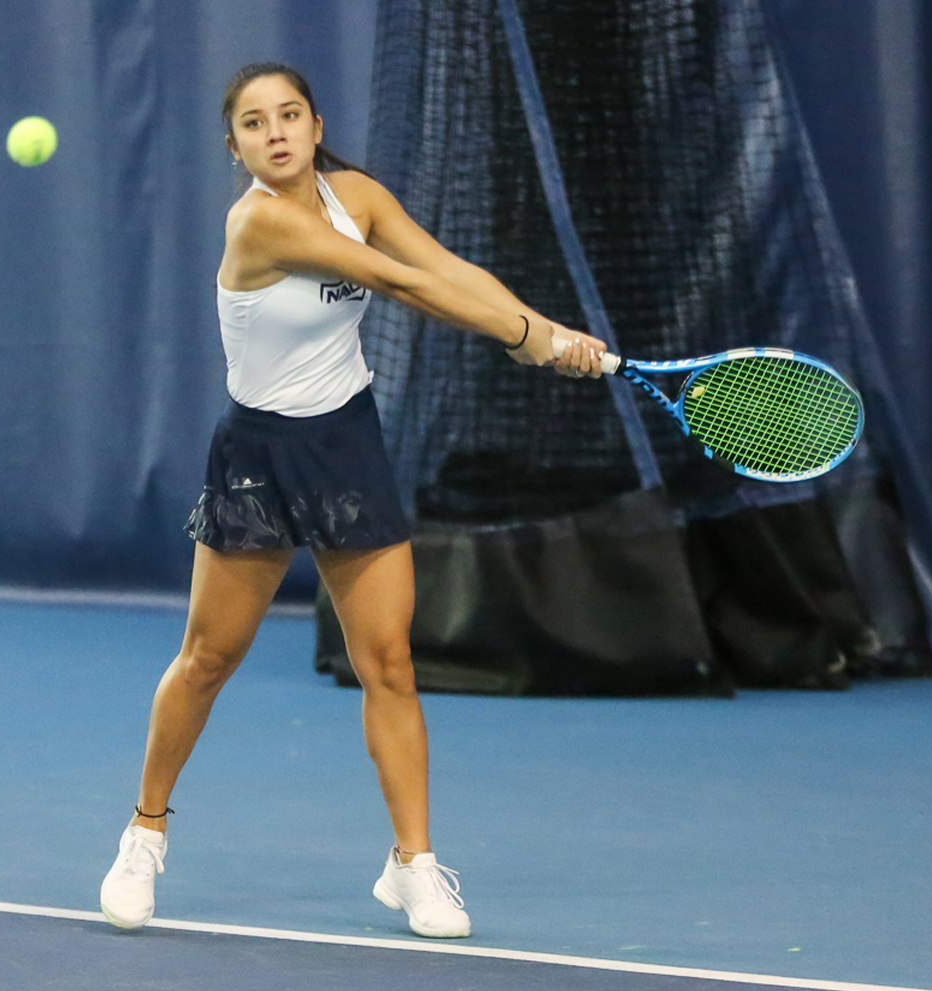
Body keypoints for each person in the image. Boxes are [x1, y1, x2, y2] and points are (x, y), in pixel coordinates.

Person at [98, 62, 602, 938]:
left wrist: (547, 331)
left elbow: (445, 265)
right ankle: (144, 833)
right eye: (256, 124)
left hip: (347, 444)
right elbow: (403, 287)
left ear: (316, 123)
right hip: (260, 455)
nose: (277, 132)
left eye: (290, 114)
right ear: (237, 148)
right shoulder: (257, 222)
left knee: (390, 661)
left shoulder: (358, 195)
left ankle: (413, 866)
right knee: (209, 658)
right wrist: (531, 340)